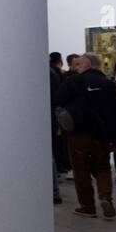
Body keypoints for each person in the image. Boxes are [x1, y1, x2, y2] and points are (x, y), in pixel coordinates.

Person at [56, 52, 116, 219]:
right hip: (103, 134)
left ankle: (87, 206)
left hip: (78, 133)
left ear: (88, 65)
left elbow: (58, 102)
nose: (76, 68)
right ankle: (105, 197)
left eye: (79, 65)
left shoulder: (73, 81)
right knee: (102, 167)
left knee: (81, 170)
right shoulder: (111, 85)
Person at [50, 53, 70, 174]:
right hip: (57, 111)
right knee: (58, 141)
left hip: (55, 111)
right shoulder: (55, 73)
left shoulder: (53, 72)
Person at [49, 55, 63, 205]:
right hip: (49, 118)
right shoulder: (51, 73)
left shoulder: (47, 74)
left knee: (47, 154)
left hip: (46, 119)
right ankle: (53, 191)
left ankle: (53, 191)